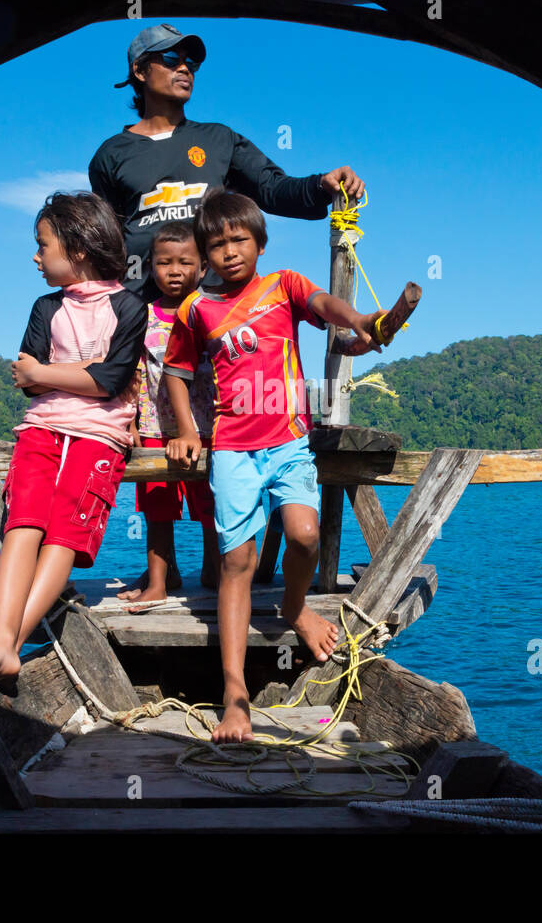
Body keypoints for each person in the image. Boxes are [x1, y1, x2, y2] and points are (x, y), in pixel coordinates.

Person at [162, 189, 383, 743]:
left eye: (239, 240)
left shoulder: (282, 285)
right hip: (232, 448)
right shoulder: (196, 309)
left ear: (260, 242)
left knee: (304, 535)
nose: (229, 252)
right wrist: (187, 430)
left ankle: (293, 606)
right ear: (205, 253)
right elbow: (176, 372)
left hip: (287, 441)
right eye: (216, 244)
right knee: (237, 562)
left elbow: (325, 307)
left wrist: (358, 319)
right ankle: (234, 696)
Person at [0, 192, 146, 691]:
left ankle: (10, 647)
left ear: (77, 248)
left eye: (43, 245)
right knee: (23, 526)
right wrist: (74, 375)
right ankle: (0, 642)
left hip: (99, 436)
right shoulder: (46, 307)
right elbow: (25, 378)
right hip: (41, 429)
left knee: (63, 539)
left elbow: (112, 380)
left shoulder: (129, 306)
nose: (36, 257)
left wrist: (52, 373)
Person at [88, 22, 366, 303]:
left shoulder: (219, 139)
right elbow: (108, 243)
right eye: (171, 59)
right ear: (140, 70)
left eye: (191, 63)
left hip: (215, 308)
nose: (184, 69)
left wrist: (321, 185)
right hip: (140, 310)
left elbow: (272, 188)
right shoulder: (110, 155)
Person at [118, 221, 220, 604]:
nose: (174, 270)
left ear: (203, 267)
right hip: (155, 426)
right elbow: (132, 374)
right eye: (164, 263)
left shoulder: (212, 313)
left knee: (213, 504)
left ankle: (215, 570)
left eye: (184, 262)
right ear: (150, 267)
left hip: (207, 427)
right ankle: (161, 581)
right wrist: (130, 424)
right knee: (158, 507)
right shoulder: (142, 316)